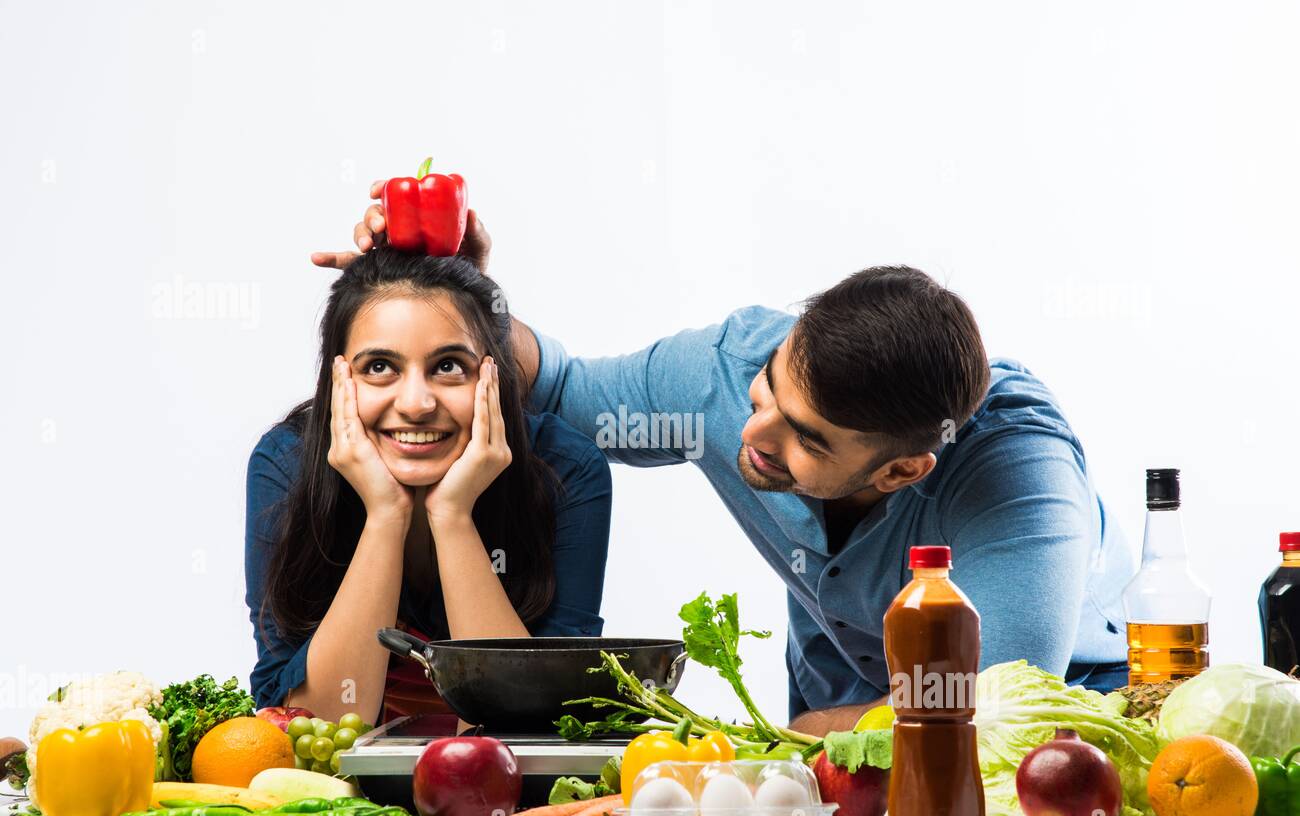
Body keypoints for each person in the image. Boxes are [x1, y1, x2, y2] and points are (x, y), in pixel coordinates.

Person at [315, 188, 1132, 737]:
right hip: (829, 739)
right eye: (769, 388)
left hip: (1044, 751)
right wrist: (463, 295)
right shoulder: (723, 370)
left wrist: (754, 744)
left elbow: (976, 703)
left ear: (903, 471)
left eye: (806, 440)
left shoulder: (1021, 478)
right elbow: (557, 386)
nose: (757, 433)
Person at [247, 243, 613, 726]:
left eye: (448, 366)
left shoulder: (566, 469)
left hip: (511, 797)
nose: (417, 403)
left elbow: (535, 728)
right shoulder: (287, 466)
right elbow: (311, 730)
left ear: (493, 375)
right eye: (379, 367)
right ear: (338, 381)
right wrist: (385, 516)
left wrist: (452, 517)